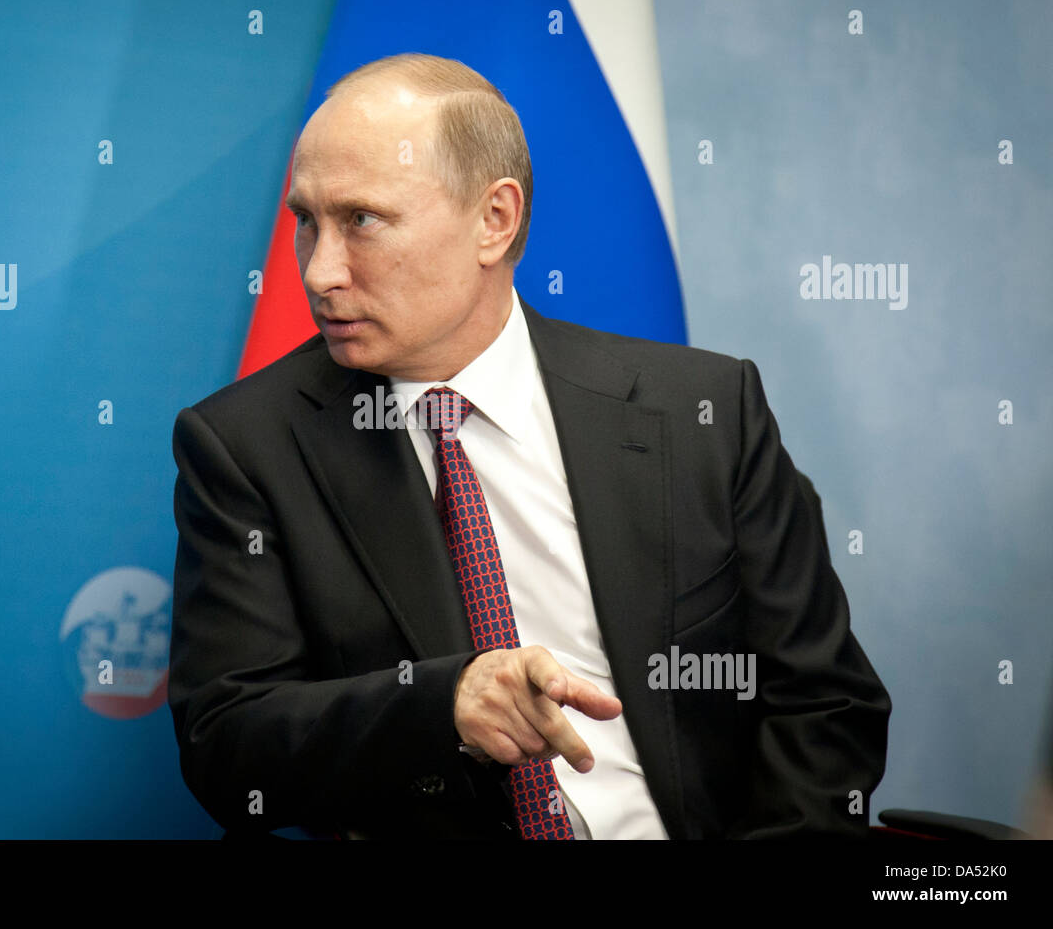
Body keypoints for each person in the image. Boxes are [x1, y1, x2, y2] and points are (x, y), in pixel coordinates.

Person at [168, 53, 891, 839]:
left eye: (361, 221)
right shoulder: (245, 446)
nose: (319, 270)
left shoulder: (706, 412)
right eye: (306, 220)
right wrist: (444, 706)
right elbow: (228, 745)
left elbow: (826, 703)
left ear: (495, 219)